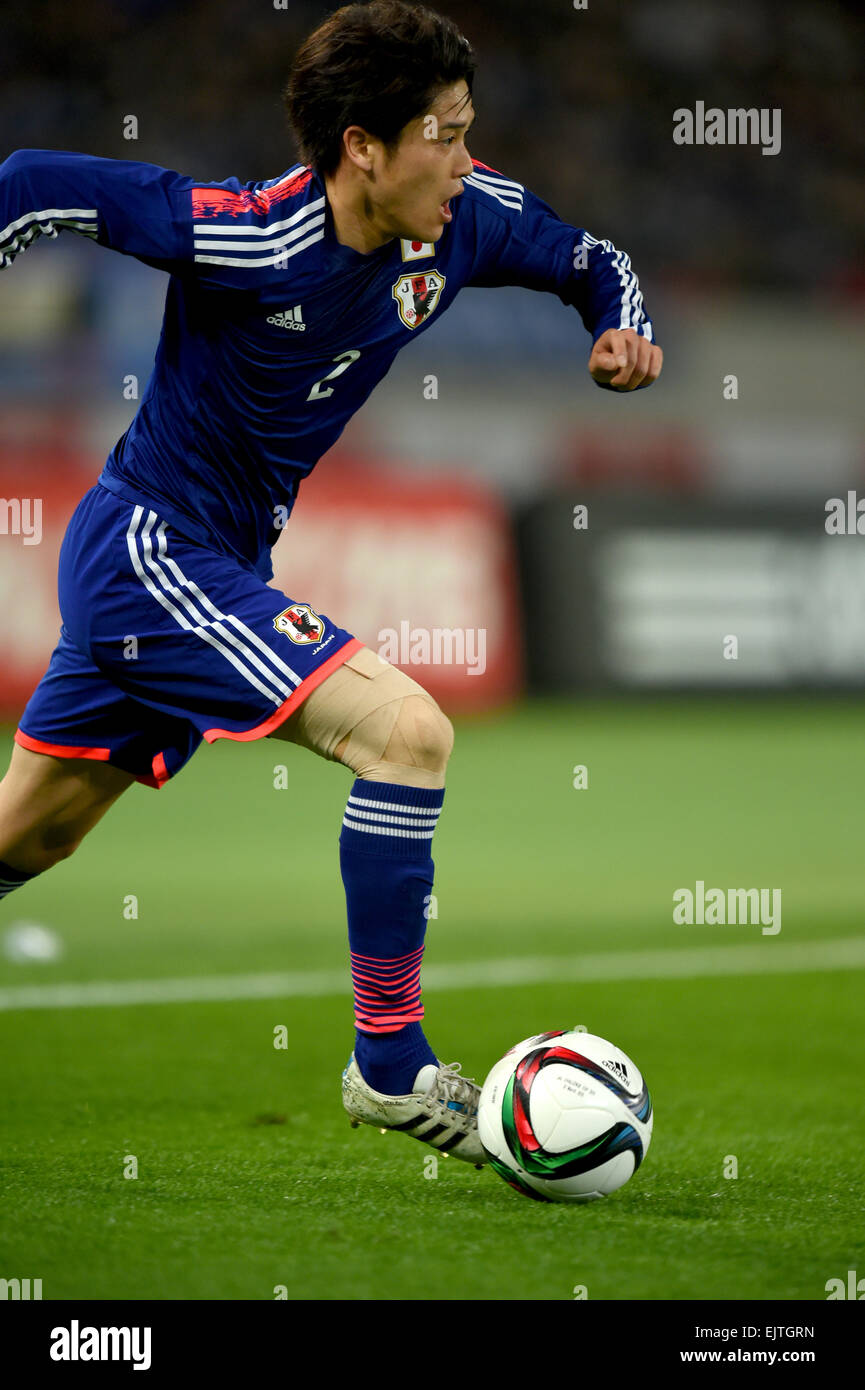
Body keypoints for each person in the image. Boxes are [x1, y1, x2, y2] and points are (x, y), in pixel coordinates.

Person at [0, 0, 662, 1166]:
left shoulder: (460, 221)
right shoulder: (254, 236)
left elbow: (588, 256)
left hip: (203, 563)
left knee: (29, 835)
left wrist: (618, 327)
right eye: (443, 135)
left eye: (467, 130)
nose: (465, 161)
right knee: (406, 732)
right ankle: (391, 1066)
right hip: (154, 552)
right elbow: (32, 178)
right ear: (363, 145)